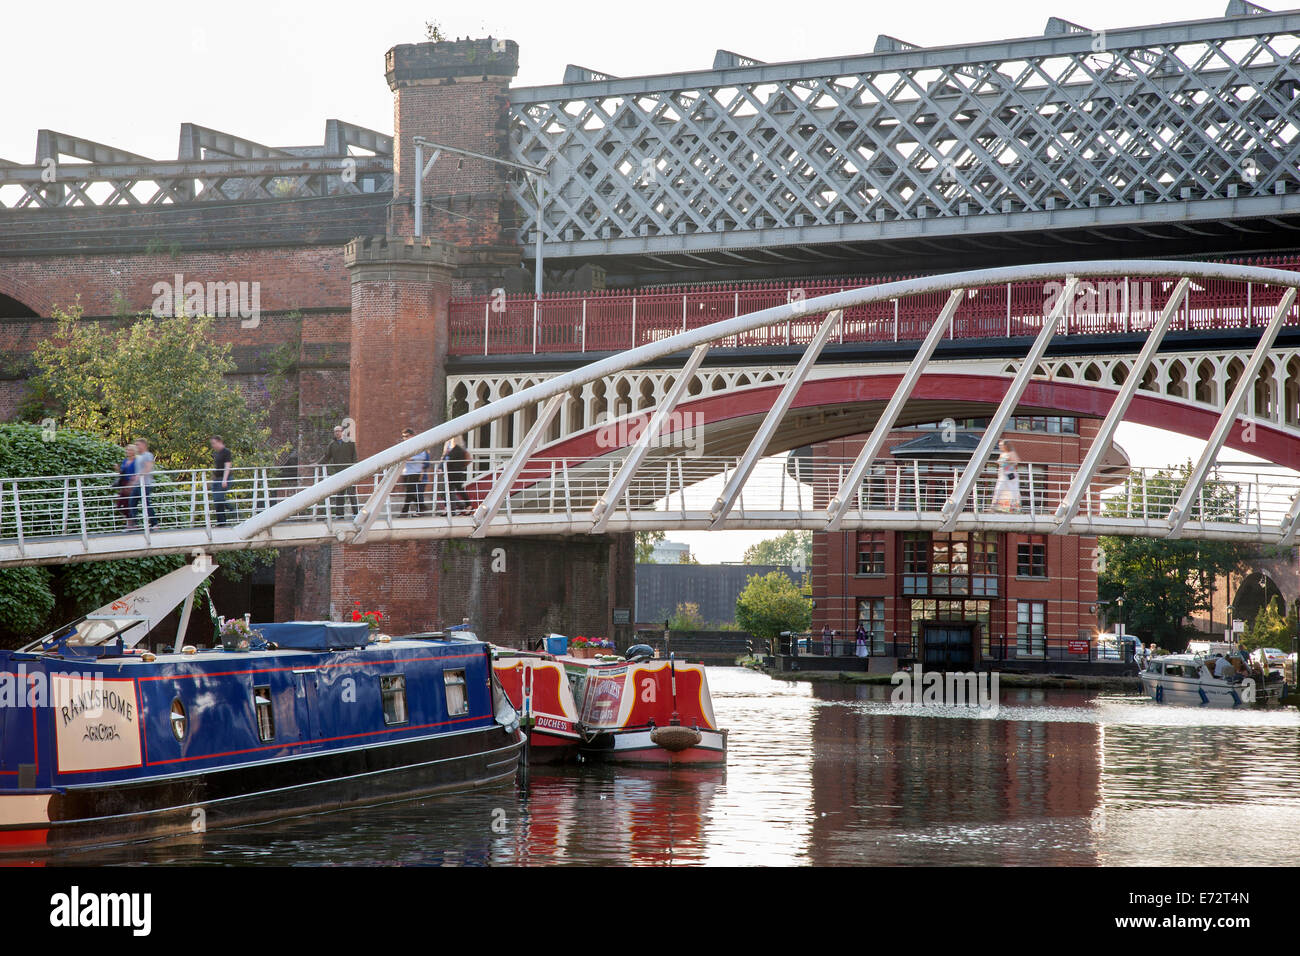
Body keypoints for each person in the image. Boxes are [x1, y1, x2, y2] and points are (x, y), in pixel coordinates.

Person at [317, 425, 358, 516]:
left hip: (349, 472)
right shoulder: (332, 444)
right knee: (340, 494)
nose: (337, 433)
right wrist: (317, 464)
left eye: (338, 431)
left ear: (343, 432)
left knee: (351, 493)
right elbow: (326, 456)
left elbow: (354, 456)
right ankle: (339, 515)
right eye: (335, 431)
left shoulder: (350, 442)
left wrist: (355, 468)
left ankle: (356, 513)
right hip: (339, 473)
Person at [399, 429, 431, 515]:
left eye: (406, 436)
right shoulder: (405, 445)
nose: (405, 438)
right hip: (406, 471)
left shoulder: (418, 444)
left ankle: (404, 511)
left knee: (410, 492)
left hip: (415, 472)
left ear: (412, 435)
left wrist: (412, 459)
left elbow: (423, 456)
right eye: (403, 436)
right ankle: (421, 506)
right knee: (410, 492)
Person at [439, 436, 471, 515]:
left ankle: (466, 505)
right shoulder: (450, 448)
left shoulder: (458, 449)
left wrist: (442, 468)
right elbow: (444, 459)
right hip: (450, 473)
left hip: (455, 473)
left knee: (457, 490)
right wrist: (440, 467)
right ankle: (461, 506)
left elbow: (449, 460)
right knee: (447, 491)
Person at [133, 437, 158, 529]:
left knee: (146, 503)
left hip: (145, 484)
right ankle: (134, 524)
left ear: (143, 445)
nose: (136, 447)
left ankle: (154, 523)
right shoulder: (139, 457)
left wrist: (139, 475)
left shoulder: (148, 455)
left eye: (138, 445)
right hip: (137, 484)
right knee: (132, 503)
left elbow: (148, 468)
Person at [991, 439, 1021, 513]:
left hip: (1010, 474)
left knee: (1012, 490)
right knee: (998, 489)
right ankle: (996, 506)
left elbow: (1016, 461)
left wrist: (1008, 461)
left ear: (1006, 446)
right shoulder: (1002, 454)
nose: (1000, 447)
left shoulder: (1011, 453)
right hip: (1002, 474)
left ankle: (1014, 507)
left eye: (1001, 445)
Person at [209, 435, 233, 526]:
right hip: (217, 480)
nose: (213, 445)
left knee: (219, 498)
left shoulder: (226, 452)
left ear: (219, 442)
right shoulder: (217, 453)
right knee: (217, 501)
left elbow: (227, 466)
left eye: (214, 443)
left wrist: (224, 479)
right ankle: (221, 522)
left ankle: (232, 509)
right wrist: (212, 480)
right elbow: (217, 468)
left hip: (224, 479)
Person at [115, 441, 138, 527]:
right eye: (127, 450)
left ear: (133, 451)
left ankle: (131, 524)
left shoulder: (136, 461)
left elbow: (137, 472)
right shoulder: (125, 460)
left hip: (131, 484)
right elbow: (122, 473)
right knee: (120, 505)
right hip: (124, 484)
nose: (128, 452)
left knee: (129, 503)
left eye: (129, 450)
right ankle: (131, 522)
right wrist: (117, 469)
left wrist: (132, 483)